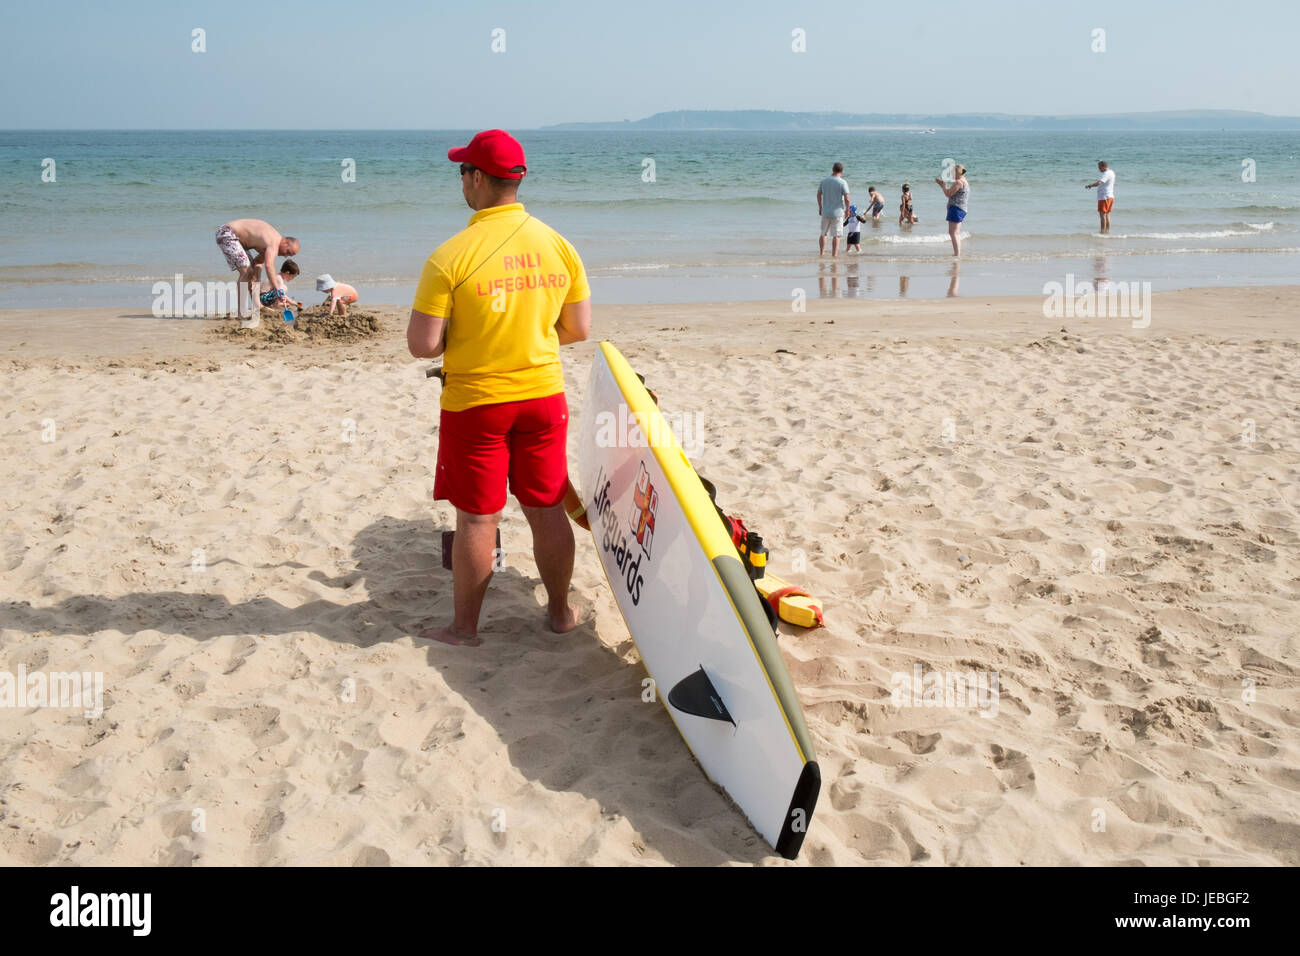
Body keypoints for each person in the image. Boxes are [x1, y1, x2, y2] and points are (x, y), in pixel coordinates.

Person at [407, 129, 591, 647]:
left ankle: (464, 630)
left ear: (479, 179)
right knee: (546, 507)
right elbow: (577, 330)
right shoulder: (559, 245)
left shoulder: (449, 256)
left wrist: (473, 335)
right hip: (543, 398)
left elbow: (423, 345)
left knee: (477, 517)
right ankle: (559, 613)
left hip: (477, 405)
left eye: (462, 171)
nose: (461, 179)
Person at [214, 219, 299, 318]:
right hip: (228, 234)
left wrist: (256, 280)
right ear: (286, 243)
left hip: (238, 240)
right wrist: (278, 290)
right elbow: (269, 266)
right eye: (288, 252)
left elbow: (258, 263)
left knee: (252, 273)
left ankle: (257, 305)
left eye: (289, 255)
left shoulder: (269, 244)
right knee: (246, 272)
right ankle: (240, 312)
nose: (286, 256)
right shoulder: (274, 242)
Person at [817, 162, 852, 257]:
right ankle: (834, 255)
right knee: (836, 235)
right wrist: (847, 210)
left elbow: (819, 194)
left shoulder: (824, 181)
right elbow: (847, 198)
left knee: (823, 233)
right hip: (838, 213)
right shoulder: (842, 182)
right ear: (842, 171)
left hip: (825, 211)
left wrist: (820, 207)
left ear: (832, 169)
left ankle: (822, 253)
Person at [934, 164, 969, 256]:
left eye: (952, 172)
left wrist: (943, 186)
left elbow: (948, 194)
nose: (951, 174)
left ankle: (957, 254)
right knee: (956, 232)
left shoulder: (958, 182)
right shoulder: (964, 180)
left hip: (957, 208)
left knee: (953, 233)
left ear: (957, 173)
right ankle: (957, 253)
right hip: (961, 208)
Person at [1085, 160, 1116, 234]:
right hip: (1110, 196)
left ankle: (1102, 233)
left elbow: (1099, 182)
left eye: (1099, 167)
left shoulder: (1106, 174)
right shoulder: (1111, 172)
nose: (1098, 169)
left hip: (1104, 197)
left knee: (1102, 216)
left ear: (1103, 166)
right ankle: (1107, 231)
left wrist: (1090, 185)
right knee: (1107, 215)